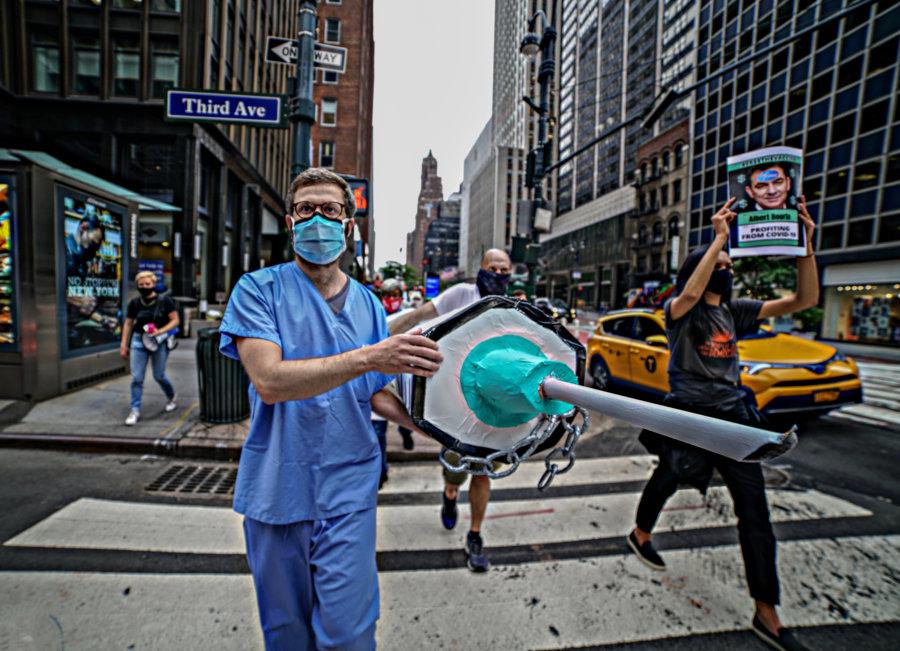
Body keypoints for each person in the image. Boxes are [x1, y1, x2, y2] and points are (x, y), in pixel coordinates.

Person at [218, 168, 443, 649]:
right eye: (306, 209)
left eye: (331, 209)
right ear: (290, 220)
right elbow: (270, 381)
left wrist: (441, 431)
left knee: (349, 635)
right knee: (286, 633)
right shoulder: (257, 290)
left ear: (348, 224)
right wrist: (371, 356)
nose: (317, 218)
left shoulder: (367, 304)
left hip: (348, 489)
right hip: (279, 488)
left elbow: (376, 392)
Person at [626, 196, 817, 651]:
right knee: (668, 477)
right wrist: (717, 238)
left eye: (730, 262)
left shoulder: (738, 312)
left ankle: (766, 613)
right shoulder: (680, 310)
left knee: (755, 511)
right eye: (721, 263)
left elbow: (803, 300)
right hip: (689, 418)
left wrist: (806, 248)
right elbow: (690, 292)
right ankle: (640, 533)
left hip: (735, 421)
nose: (727, 268)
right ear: (704, 266)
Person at [389, 247, 512, 572]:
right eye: (494, 268)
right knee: (456, 472)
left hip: (493, 406)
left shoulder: (513, 307)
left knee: (484, 474)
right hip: (457, 404)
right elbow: (419, 314)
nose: (499, 275)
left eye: (505, 270)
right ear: (482, 268)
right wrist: (381, 334)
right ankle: (449, 493)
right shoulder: (461, 293)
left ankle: (475, 535)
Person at [371, 278, 416, 489]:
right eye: (388, 296)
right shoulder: (373, 314)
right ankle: (381, 471)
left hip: (401, 375)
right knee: (378, 429)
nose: (391, 300)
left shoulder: (407, 317)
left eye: (395, 296)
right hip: (379, 377)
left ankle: (407, 434)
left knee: (404, 413)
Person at [119, 271, 179, 425]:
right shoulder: (135, 303)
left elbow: (175, 320)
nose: (144, 287)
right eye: (141, 285)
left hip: (158, 340)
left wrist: (161, 331)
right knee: (137, 377)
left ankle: (172, 396)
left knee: (159, 375)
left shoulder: (165, 301)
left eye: (147, 284)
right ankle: (135, 410)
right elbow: (128, 323)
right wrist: (124, 344)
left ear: (153, 284)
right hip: (139, 340)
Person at [65, 213, 118, 347]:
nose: (94, 251)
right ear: (82, 229)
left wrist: (103, 319)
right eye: (93, 243)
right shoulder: (61, 250)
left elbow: (84, 305)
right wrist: (73, 299)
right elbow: (45, 290)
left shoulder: (82, 260)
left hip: (74, 326)